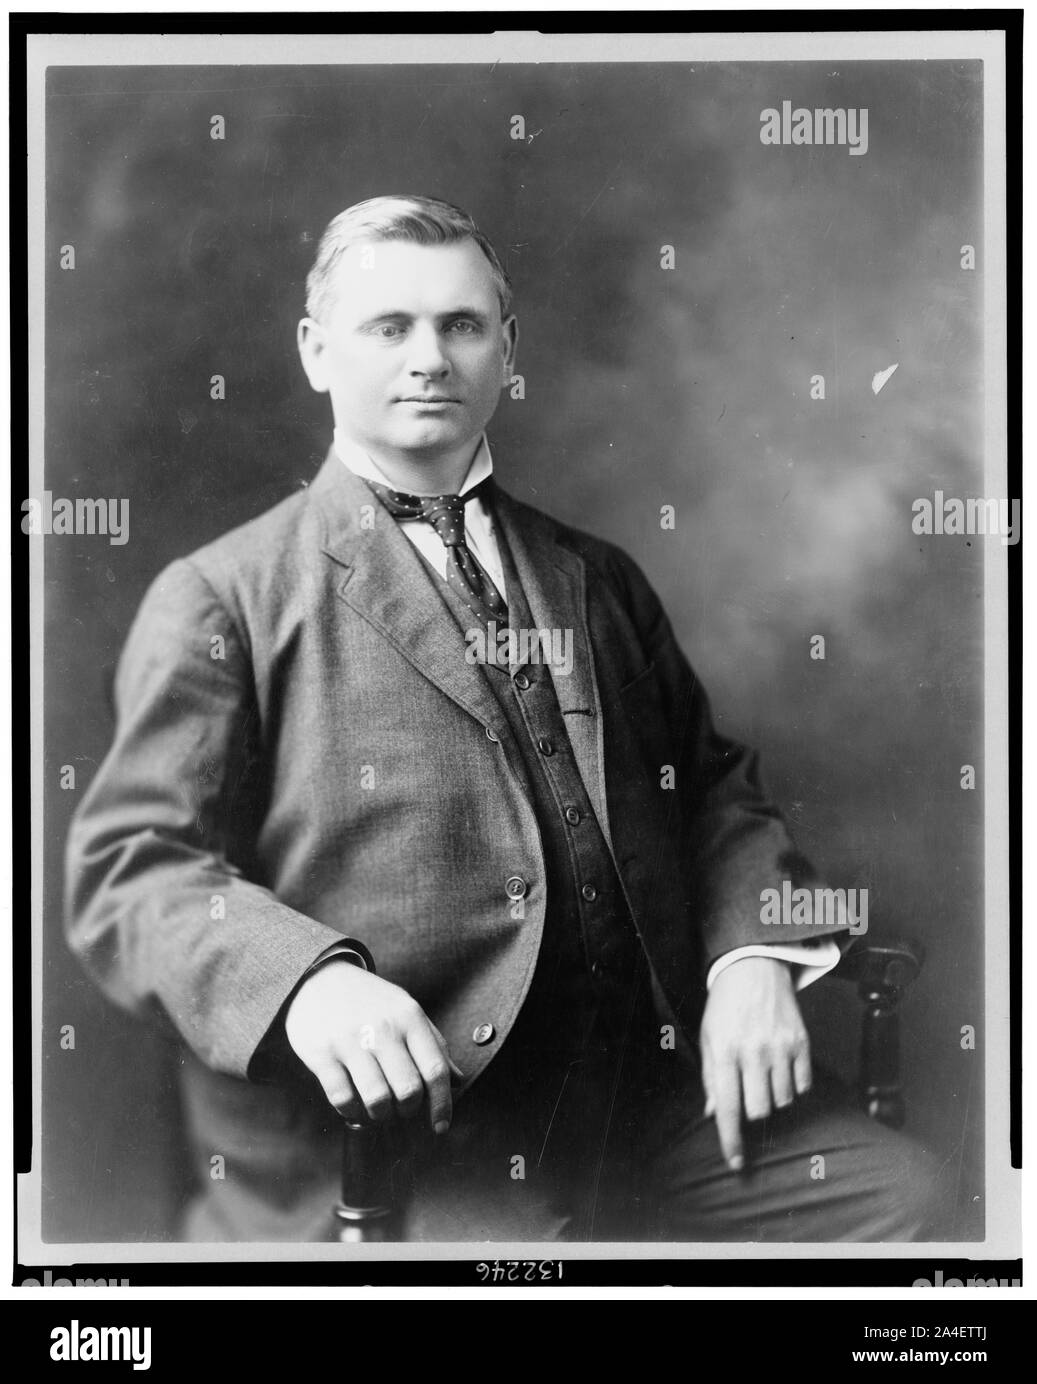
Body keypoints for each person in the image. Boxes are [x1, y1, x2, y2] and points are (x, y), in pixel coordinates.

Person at [64, 194, 938, 1242]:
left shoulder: (595, 577)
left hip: (649, 1103)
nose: (429, 358)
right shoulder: (224, 595)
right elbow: (135, 865)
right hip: (417, 1135)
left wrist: (750, 955)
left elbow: (707, 787)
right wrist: (305, 984)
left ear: (506, 351)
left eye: (461, 325)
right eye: (389, 327)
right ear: (314, 351)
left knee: (912, 1210)